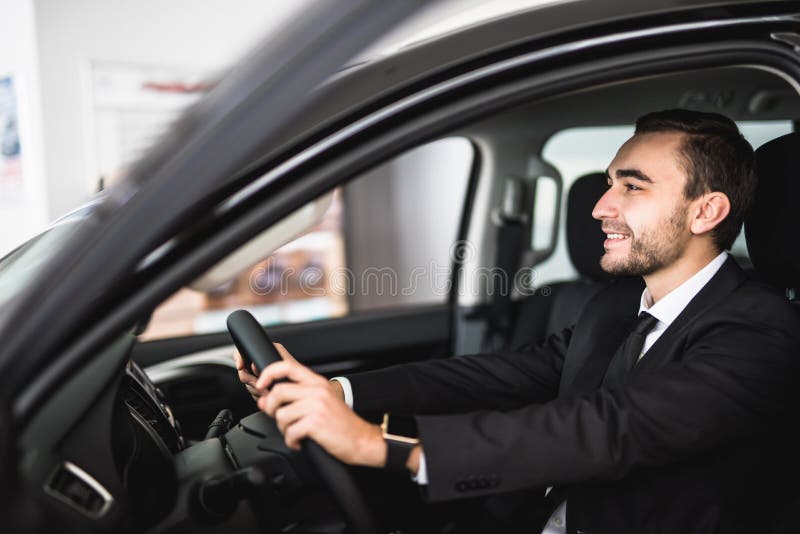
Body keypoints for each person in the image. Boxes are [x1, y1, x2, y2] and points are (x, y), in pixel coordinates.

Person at [236, 109, 800, 533]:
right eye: (609, 183)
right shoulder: (615, 306)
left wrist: (380, 446)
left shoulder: (761, 332)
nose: (600, 206)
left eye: (631, 186)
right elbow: (499, 376)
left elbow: (607, 427)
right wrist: (338, 391)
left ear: (706, 211)